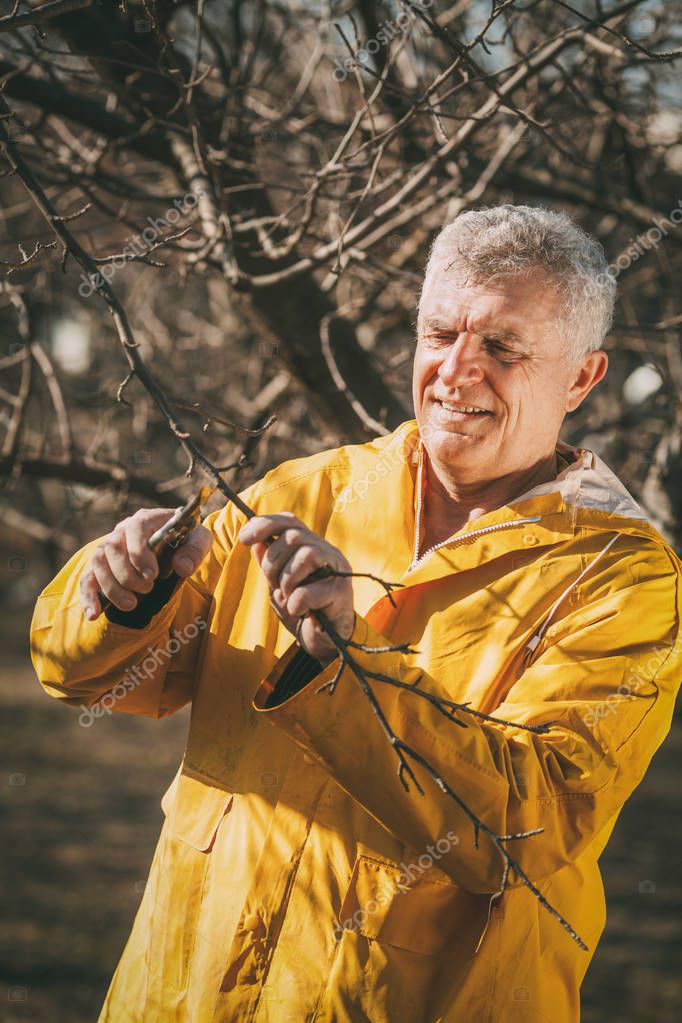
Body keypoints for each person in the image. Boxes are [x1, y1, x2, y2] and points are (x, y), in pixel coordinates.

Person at [30, 205, 682, 1023]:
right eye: (440, 334)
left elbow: (530, 823)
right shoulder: (301, 494)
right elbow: (77, 675)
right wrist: (121, 595)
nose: (455, 371)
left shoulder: (623, 579)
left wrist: (346, 665)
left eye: (502, 348)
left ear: (582, 378)